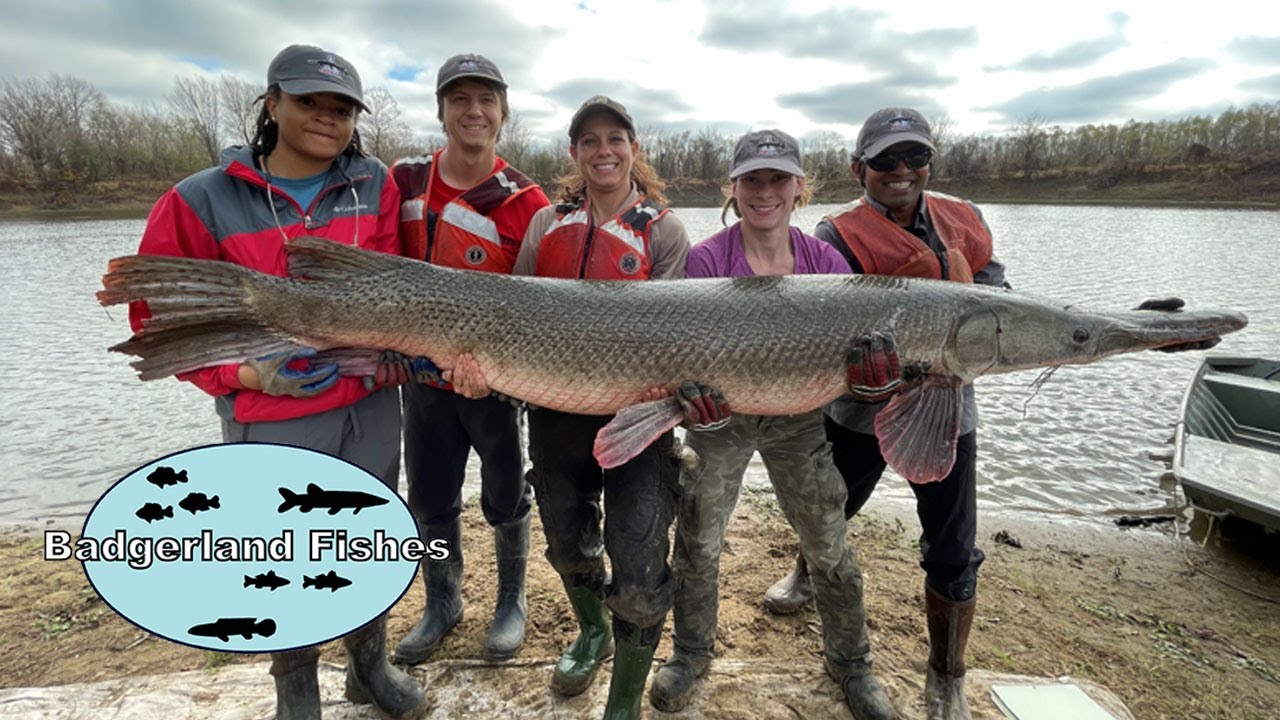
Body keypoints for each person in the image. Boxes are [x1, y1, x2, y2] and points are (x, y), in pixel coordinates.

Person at [127, 45, 426, 720]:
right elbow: (155, 316)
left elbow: (396, 290)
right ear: (272, 104)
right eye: (308, 101)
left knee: (367, 537)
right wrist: (241, 374)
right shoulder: (199, 199)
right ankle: (296, 689)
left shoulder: (373, 185)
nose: (326, 116)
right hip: (272, 413)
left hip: (371, 403)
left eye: (341, 107)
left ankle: (367, 667)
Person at [449, 95, 695, 720]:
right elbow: (511, 311)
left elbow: (678, 336)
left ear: (633, 150)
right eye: (590, 141)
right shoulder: (545, 223)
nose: (603, 151)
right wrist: (484, 368)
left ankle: (624, 700)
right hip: (557, 415)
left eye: (615, 139)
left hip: (639, 421)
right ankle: (592, 632)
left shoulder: (664, 230)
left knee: (639, 563)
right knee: (565, 541)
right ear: (574, 154)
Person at [758, 107, 1006, 720]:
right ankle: (807, 573)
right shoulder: (835, 234)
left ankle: (947, 673)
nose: (901, 171)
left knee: (953, 547)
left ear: (929, 162)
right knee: (833, 507)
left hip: (947, 405)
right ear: (859, 168)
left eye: (914, 158)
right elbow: (821, 318)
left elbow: (1000, 296)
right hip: (859, 408)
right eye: (885, 160)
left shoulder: (963, 218)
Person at [648, 130, 896, 720]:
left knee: (827, 539)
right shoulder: (707, 260)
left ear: (798, 188)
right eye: (752, 180)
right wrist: (690, 396)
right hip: (721, 420)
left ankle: (852, 662)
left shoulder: (824, 263)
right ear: (733, 189)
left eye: (778, 179)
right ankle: (690, 653)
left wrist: (873, 378)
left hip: (799, 420)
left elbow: (855, 361)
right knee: (700, 539)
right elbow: (676, 350)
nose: (765, 192)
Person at [389, 53, 551, 665]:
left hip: (496, 380)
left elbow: (538, 306)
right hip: (422, 377)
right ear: (441, 111)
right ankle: (443, 601)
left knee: (506, 493)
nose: (473, 111)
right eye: (459, 99)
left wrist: (501, 368)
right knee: (430, 495)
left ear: (503, 114)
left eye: (486, 100)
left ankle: (512, 601)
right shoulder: (403, 180)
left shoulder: (526, 199)